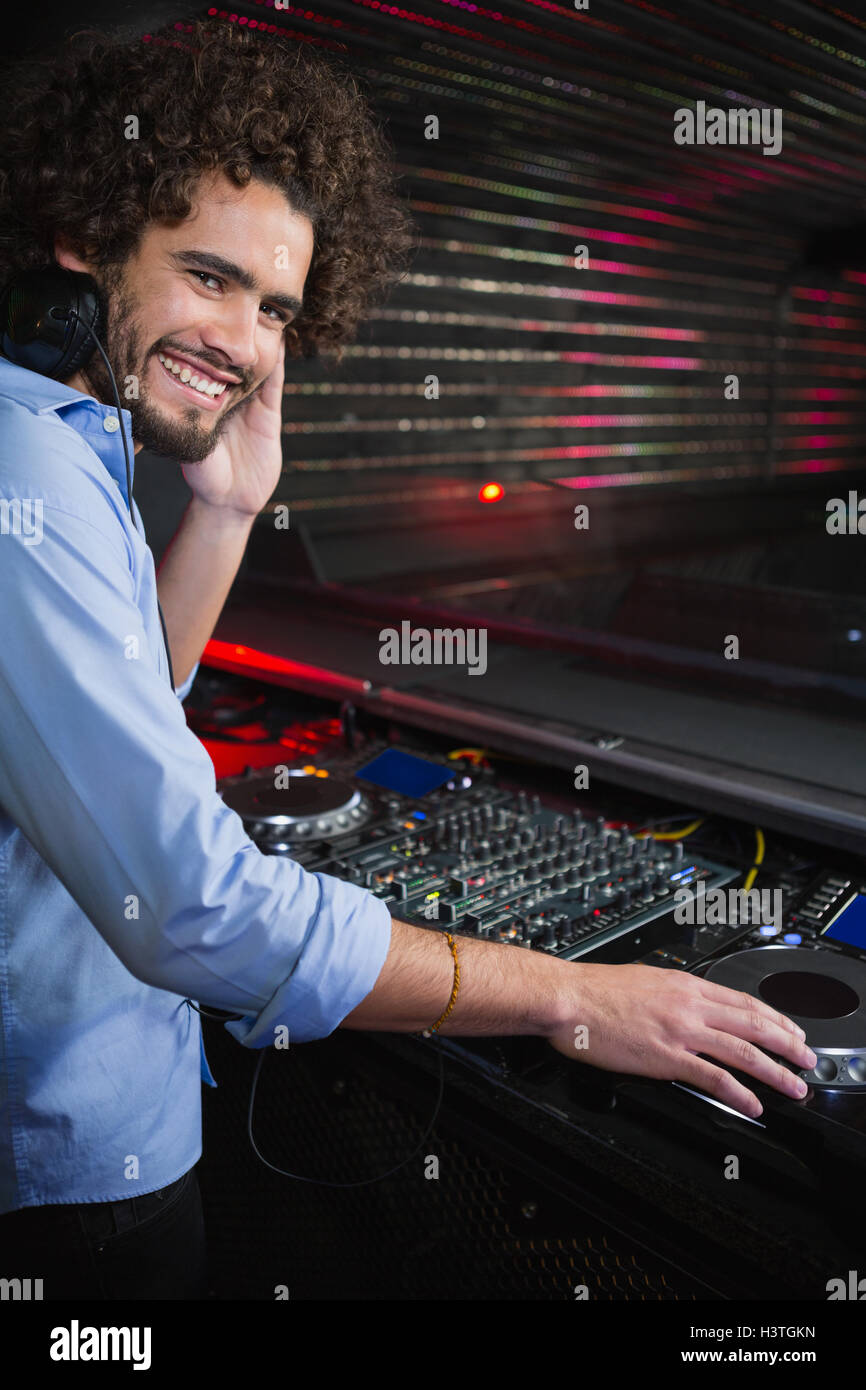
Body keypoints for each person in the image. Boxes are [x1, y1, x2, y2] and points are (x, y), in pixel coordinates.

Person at [0, 20, 815, 1300]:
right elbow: (196, 907)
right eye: (208, 277)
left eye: (274, 307)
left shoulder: (65, 441)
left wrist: (224, 509)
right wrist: (565, 994)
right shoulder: (25, 470)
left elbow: (111, 731)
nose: (248, 341)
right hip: (63, 1193)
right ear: (83, 237)